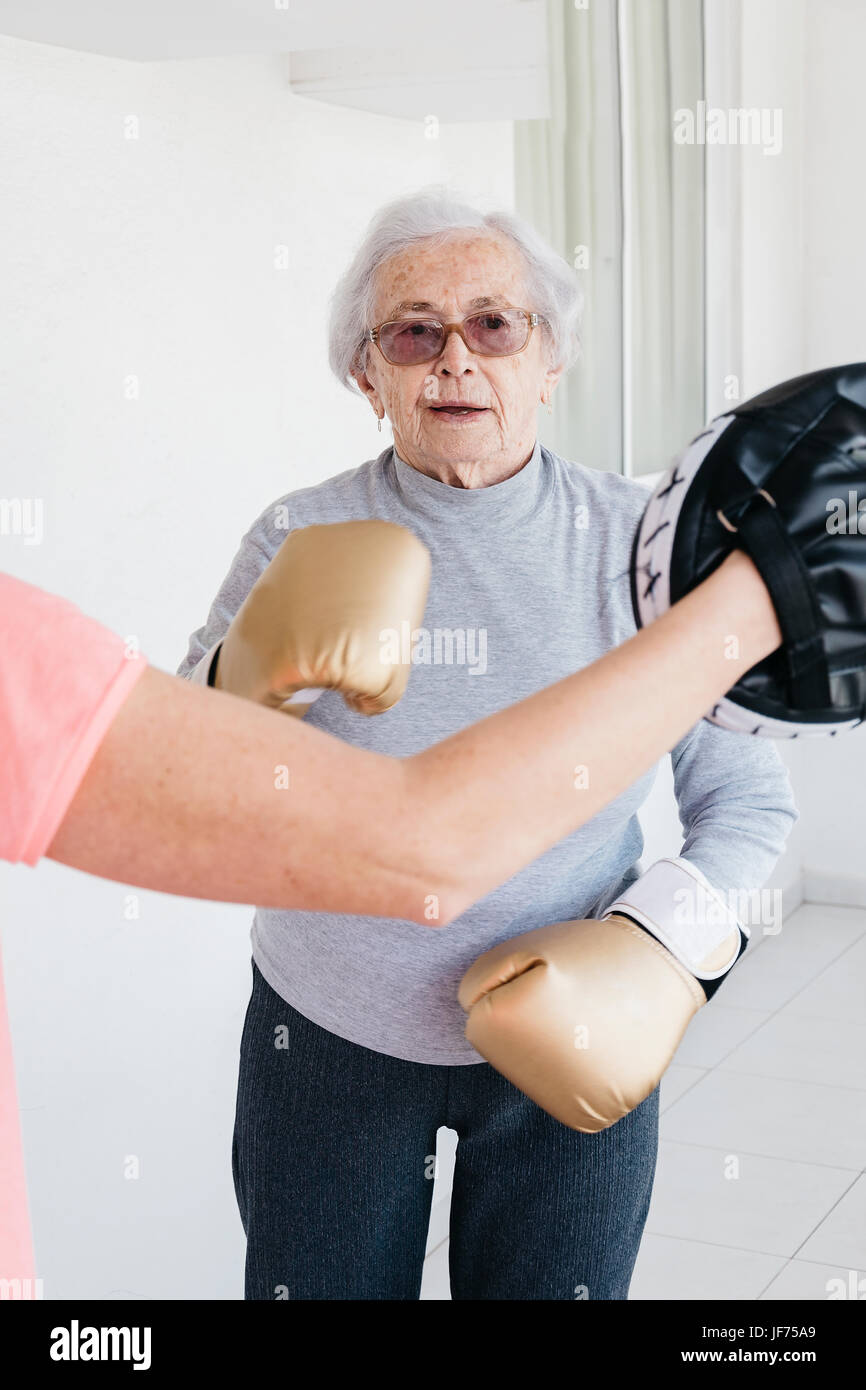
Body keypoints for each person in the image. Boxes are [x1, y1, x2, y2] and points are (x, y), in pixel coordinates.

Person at [177, 190, 798, 1300]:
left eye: (494, 324)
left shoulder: (649, 541)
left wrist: (662, 950)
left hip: (575, 1043)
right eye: (413, 331)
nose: (454, 357)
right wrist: (241, 677)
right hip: (324, 1035)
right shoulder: (297, 533)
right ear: (368, 377)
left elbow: (749, 802)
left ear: (547, 359)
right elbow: (177, 764)